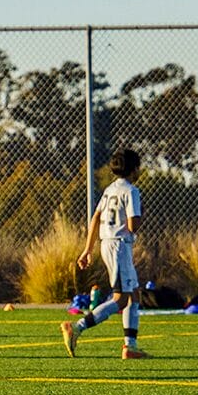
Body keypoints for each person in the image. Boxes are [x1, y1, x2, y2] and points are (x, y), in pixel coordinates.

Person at [61, 148, 148, 359]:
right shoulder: (131, 191)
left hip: (107, 243)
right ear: (134, 169)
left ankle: (130, 346)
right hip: (120, 246)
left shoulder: (110, 190)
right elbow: (133, 225)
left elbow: (96, 218)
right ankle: (78, 327)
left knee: (133, 294)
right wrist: (139, 218)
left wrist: (87, 249)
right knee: (121, 299)